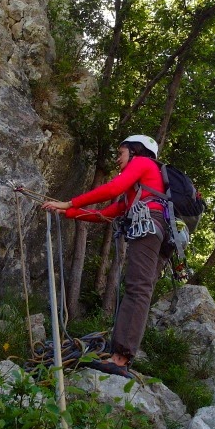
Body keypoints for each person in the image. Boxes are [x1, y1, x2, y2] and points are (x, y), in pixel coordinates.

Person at [43, 135, 167, 378]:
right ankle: (122, 356)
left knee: (137, 289)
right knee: (140, 289)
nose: (118, 159)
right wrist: (66, 212)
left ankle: (120, 359)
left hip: (149, 226)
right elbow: (105, 214)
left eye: (121, 153)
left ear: (135, 151)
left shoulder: (143, 163)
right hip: (161, 233)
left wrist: (68, 203)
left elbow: (112, 188)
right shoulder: (140, 191)